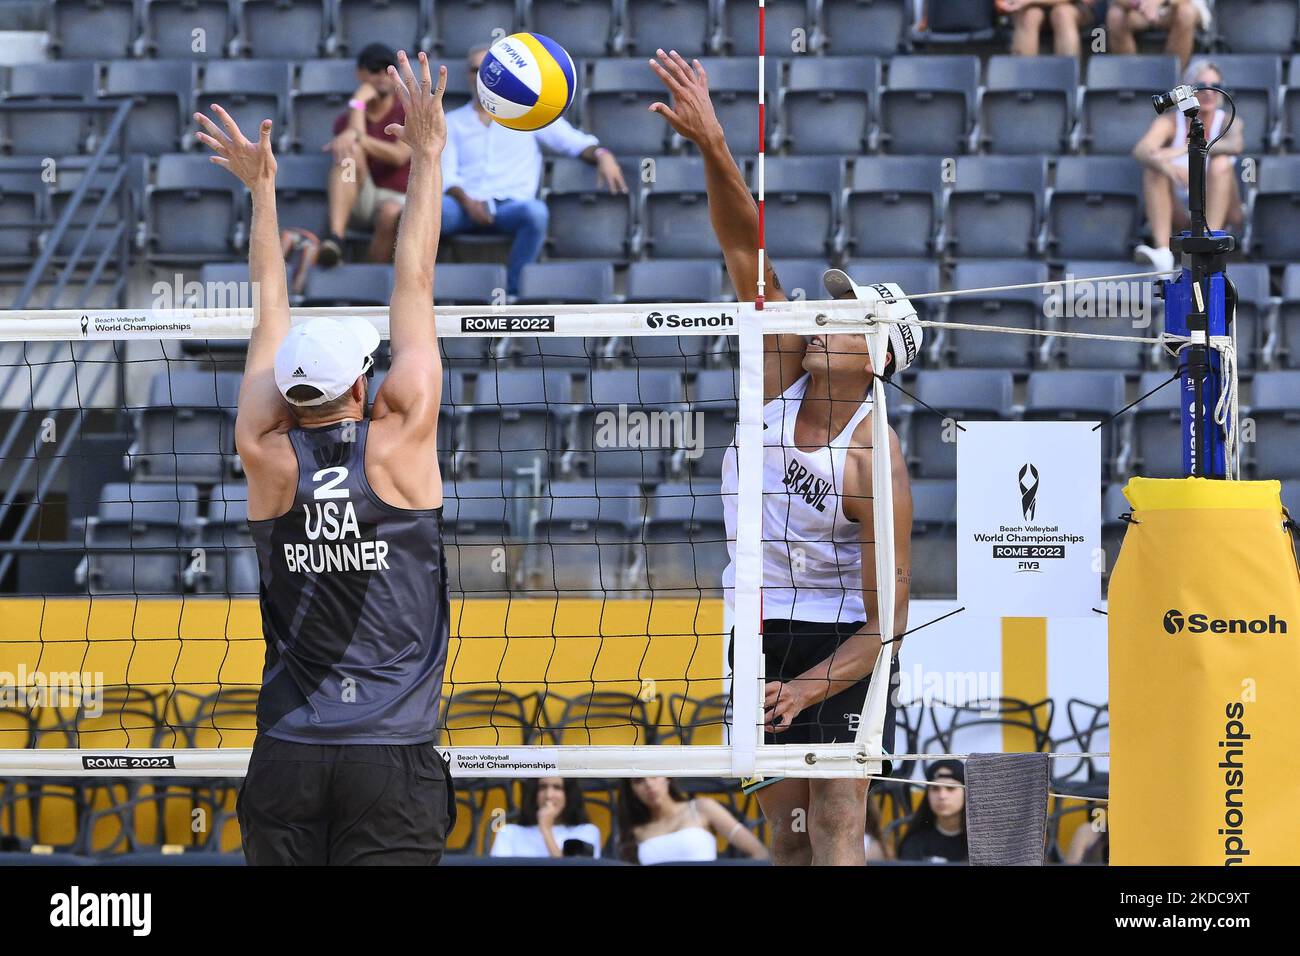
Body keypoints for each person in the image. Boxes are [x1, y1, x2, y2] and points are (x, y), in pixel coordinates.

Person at [647, 49, 917, 867]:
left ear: (874, 357)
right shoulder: (779, 372)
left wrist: (809, 687)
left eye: (846, 318)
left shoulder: (875, 459)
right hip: (757, 621)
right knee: (786, 832)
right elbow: (744, 249)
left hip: (842, 641)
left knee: (836, 821)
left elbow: (889, 624)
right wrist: (712, 144)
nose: (825, 317)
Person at [197, 50, 455, 865]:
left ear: (284, 395)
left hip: (290, 752)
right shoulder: (400, 439)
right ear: (362, 378)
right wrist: (430, 156)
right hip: (391, 755)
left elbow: (268, 316)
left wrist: (262, 192)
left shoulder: (264, 455)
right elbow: (412, 278)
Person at [440, 44, 628, 296]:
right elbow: (446, 174)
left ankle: (515, 292)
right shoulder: (452, 121)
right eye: (475, 70)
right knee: (429, 211)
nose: (481, 77)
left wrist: (603, 155)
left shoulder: (525, 113)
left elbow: (572, 142)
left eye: (489, 70)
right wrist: (467, 201)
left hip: (511, 207)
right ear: (467, 75)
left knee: (536, 213)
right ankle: (431, 288)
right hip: (463, 205)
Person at [1132, 58, 1243, 275]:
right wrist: (1167, 167)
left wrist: (1183, 149)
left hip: (1223, 210)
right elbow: (1141, 150)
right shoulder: (1172, 122)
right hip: (1184, 212)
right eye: (1202, 86)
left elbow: (1236, 145)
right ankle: (1163, 252)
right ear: (1188, 90)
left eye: (1215, 87)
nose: (1209, 93)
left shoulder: (1229, 120)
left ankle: (1209, 244)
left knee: (1220, 164)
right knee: (1154, 167)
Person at [320, 43, 411, 266]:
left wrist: (357, 136)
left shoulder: (406, 111)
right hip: (358, 196)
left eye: (386, 70)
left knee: (390, 212)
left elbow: (399, 156)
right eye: (374, 70)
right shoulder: (347, 118)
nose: (381, 77)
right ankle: (336, 238)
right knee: (350, 151)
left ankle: (370, 279)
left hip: (398, 198)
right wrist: (358, 103)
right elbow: (353, 139)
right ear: (360, 73)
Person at [616, 778, 768, 864]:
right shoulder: (634, 832)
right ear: (632, 790)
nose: (649, 784)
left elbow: (760, 853)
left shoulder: (701, 808)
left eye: (654, 775)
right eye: (638, 781)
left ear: (667, 777)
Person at [489, 777, 603, 858]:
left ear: (568, 794)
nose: (549, 795)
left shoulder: (586, 831)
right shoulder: (509, 833)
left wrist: (546, 830)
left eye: (557, 787)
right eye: (543, 787)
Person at [897, 760, 969, 863]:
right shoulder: (915, 843)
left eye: (951, 788)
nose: (942, 796)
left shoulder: (980, 843)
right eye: (935, 788)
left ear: (966, 792)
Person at [1106, 0, 1209, 70]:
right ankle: (1129, 86)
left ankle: (1174, 85)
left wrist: (1158, 1)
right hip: (1139, 9)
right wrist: (1140, 3)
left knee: (1186, 13)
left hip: (1180, 7)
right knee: (1116, 15)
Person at [999, 0, 1106, 58]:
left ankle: (1067, 86)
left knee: (1062, 14)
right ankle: (1024, 90)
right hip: (1028, 8)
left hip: (1076, 7)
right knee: (1029, 16)